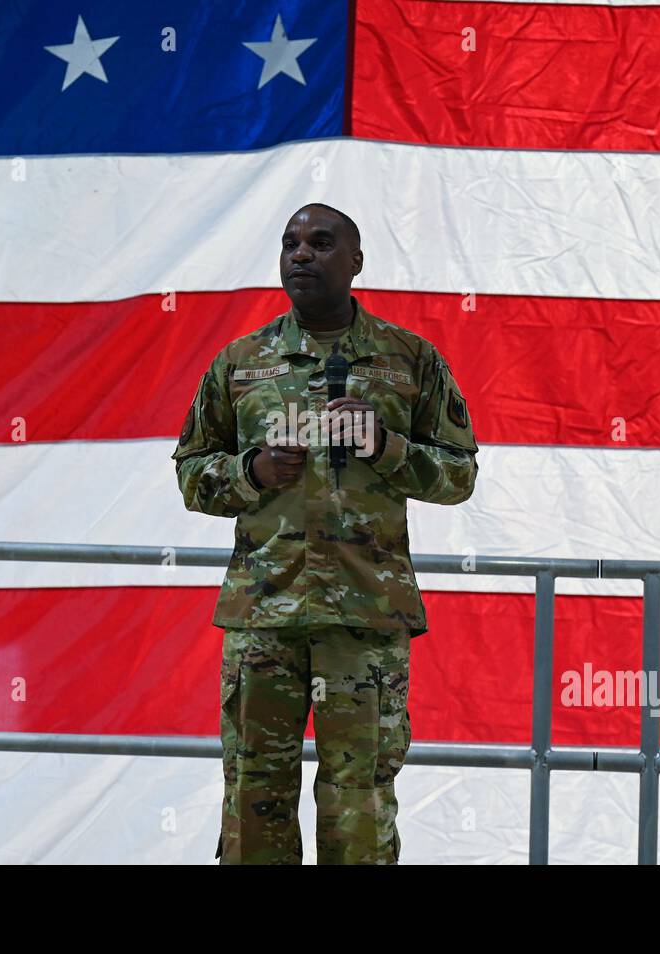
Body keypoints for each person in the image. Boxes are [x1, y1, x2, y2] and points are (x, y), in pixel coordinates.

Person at [171, 203, 479, 864]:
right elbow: (191, 473)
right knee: (256, 794)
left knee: (357, 798)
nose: (301, 254)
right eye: (290, 243)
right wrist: (250, 471)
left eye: (320, 242)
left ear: (356, 261)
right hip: (264, 619)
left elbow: (459, 475)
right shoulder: (241, 364)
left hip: (364, 618)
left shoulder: (409, 361)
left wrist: (385, 446)